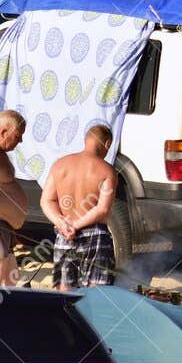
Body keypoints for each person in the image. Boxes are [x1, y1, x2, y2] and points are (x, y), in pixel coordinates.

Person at [41, 125, 117, 290]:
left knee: (64, 294)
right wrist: (76, 225)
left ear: (85, 141)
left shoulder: (59, 165)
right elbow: (102, 209)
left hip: (65, 235)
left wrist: (62, 224)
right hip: (95, 236)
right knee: (98, 293)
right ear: (107, 143)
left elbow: (46, 201)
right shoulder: (107, 171)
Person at [0, 111, 25, 287]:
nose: (20, 141)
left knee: (8, 283)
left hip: (4, 229)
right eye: (17, 136)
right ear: (3, 132)